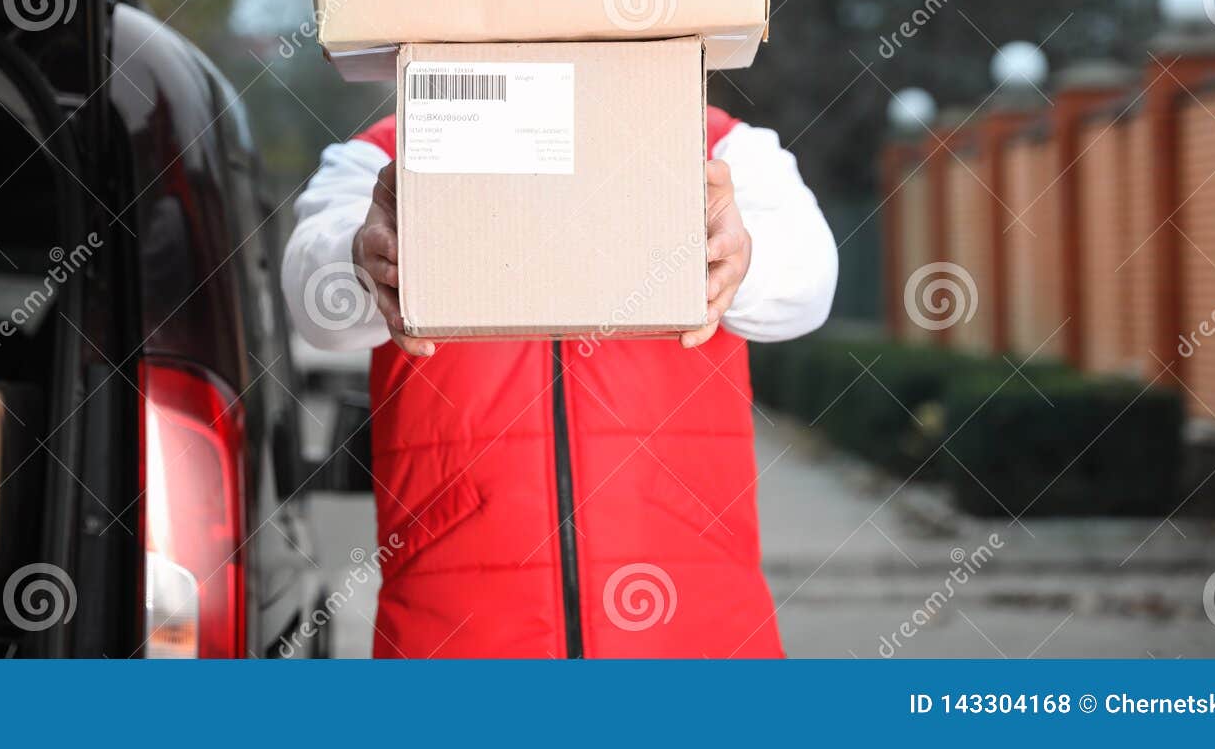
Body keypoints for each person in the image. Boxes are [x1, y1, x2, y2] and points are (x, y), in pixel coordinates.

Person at [282, 105, 837, 658]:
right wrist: (364, 259)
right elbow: (315, 299)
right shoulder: (388, 155)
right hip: (458, 627)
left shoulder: (718, 145)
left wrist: (740, 259)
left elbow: (810, 284)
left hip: (693, 625)